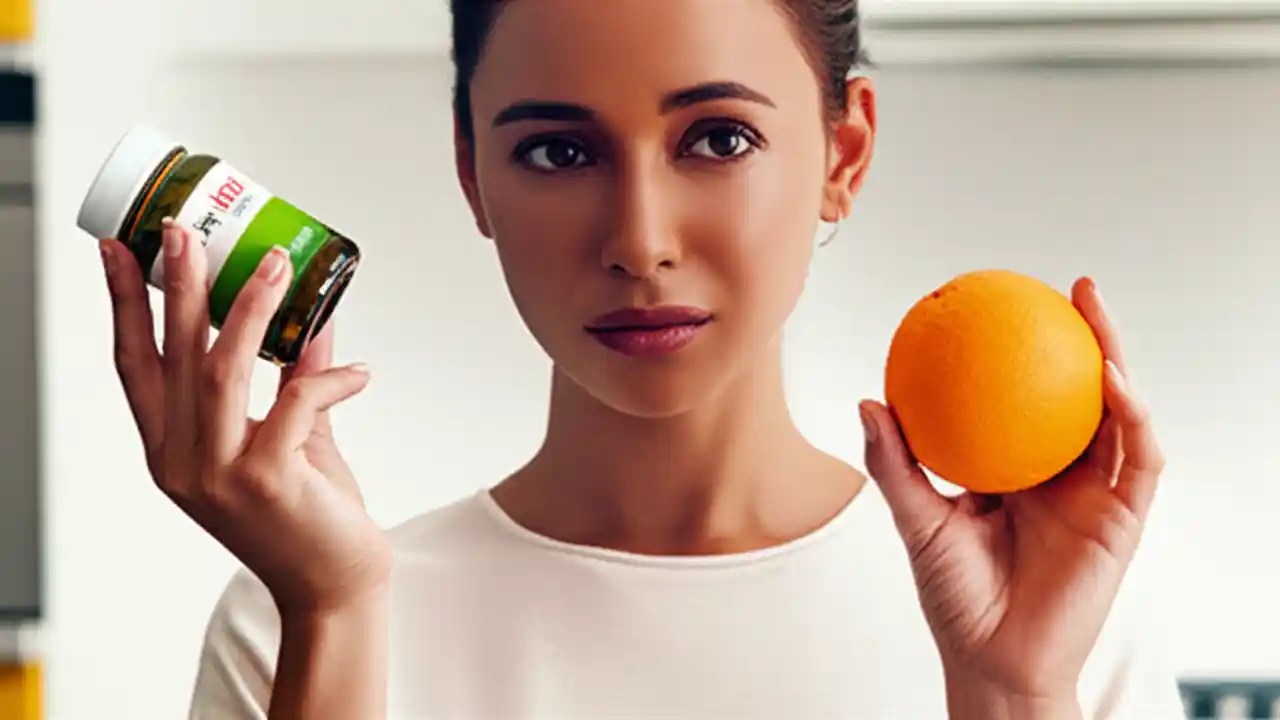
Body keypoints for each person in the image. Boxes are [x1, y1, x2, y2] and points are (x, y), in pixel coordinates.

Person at [95, 1, 1183, 718]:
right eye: (555, 151)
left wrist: (1008, 693)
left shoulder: (1053, 632)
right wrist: (331, 610)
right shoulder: (295, 619)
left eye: (717, 138)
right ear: (474, 176)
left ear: (841, 153)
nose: (637, 239)